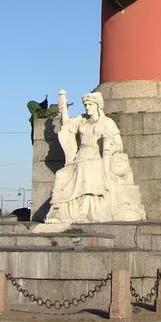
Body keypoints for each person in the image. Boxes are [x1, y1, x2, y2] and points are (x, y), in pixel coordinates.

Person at [44, 89, 126, 225]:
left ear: (98, 106)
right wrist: (63, 109)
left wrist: (109, 147)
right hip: (80, 157)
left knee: (86, 168)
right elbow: (67, 126)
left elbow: (119, 145)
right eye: (85, 105)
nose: (87, 107)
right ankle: (59, 212)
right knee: (60, 175)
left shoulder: (108, 123)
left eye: (90, 105)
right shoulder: (81, 120)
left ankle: (84, 210)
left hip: (96, 157)